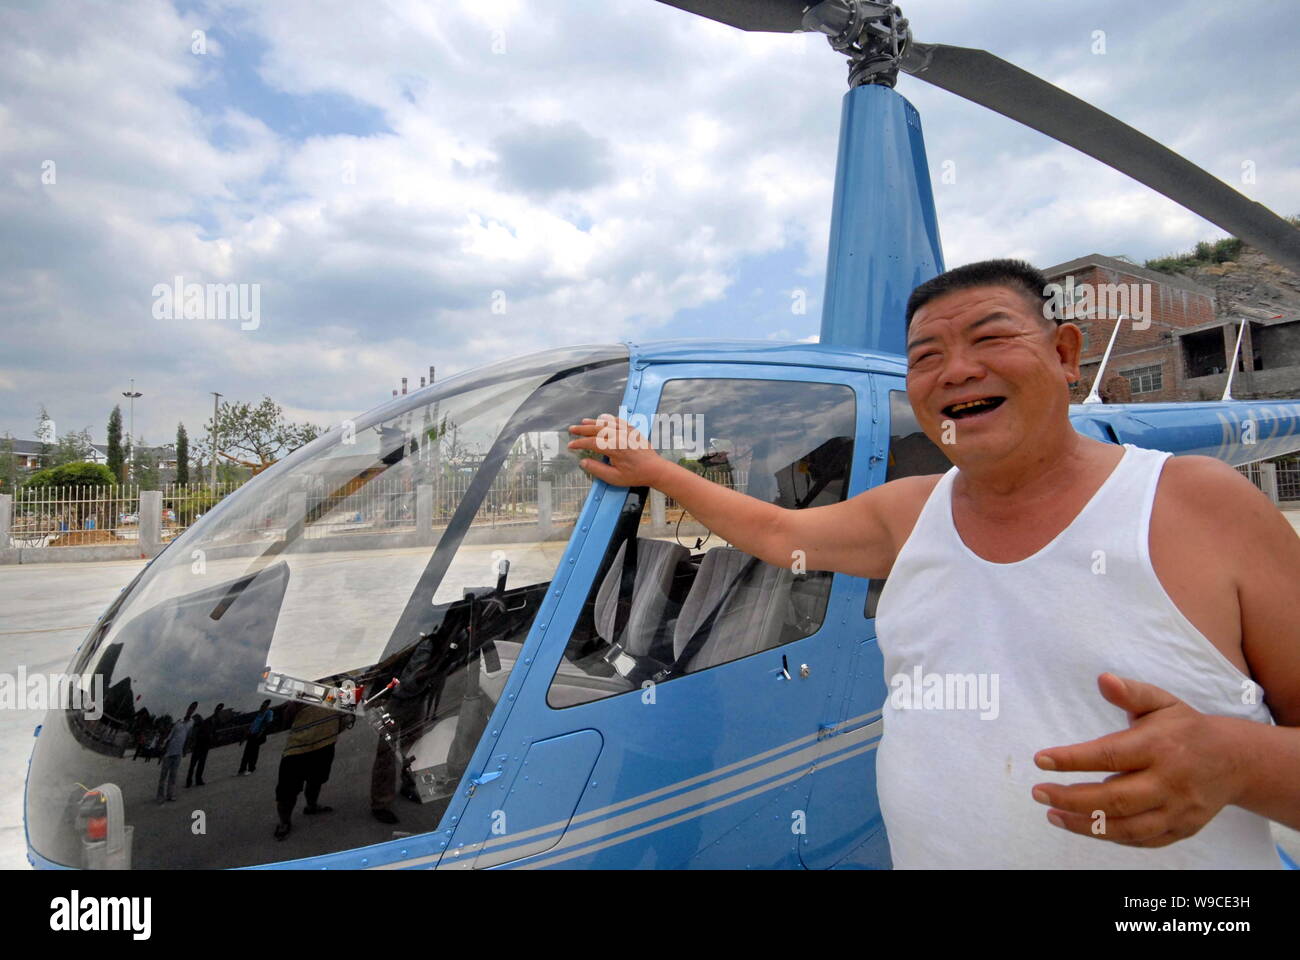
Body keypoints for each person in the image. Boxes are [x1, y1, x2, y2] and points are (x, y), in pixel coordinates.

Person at [567, 258, 1300, 869]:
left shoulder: (1199, 505)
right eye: (925, 358)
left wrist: (1238, 760)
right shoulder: (910, 511)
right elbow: (773, 532)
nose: (956, 371)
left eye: (992, 337)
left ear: (1066, 354)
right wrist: (655, 469)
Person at [272, 703, 352, 840]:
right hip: (297, 748)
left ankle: (311, 806)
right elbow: (286, 720)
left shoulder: (335, 683)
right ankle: (284, 822)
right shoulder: (300, 688)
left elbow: (346, 708)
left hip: (326, 742)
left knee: (317, 779)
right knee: (287, 790)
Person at [156, 702, 198, 804]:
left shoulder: (191, 723)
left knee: (173, 775)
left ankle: (170, 794)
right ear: (187, 709)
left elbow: (188, 737)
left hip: (178, 752)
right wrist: (164, 749)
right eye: (190, 708)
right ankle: (160, 796)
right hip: (169, 751)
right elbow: (169, 736)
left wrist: (185, 749)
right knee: (163, 775)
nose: (191, 710)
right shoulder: (178, 721)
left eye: (193, 709)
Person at [186, 702, 222, 787]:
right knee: (195, 764)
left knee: (198, 763)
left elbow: (214, 731)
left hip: (204, 744)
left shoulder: (213, 721)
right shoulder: (208, 721)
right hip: (201, 744)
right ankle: (192, 780)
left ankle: (195, 780)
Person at [237, 699, 275, 776]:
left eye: (263, 705)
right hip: (252, 734)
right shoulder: (259, 714)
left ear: (267, 705)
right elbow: (253, 725)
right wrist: (245, 737)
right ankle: (242, 769)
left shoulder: (269, 712)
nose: (261, 706)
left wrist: (260, 733)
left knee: (253, 752)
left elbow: (267, 723)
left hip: (258, 735)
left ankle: (251, 768)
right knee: (246, 753)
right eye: (261, 705)